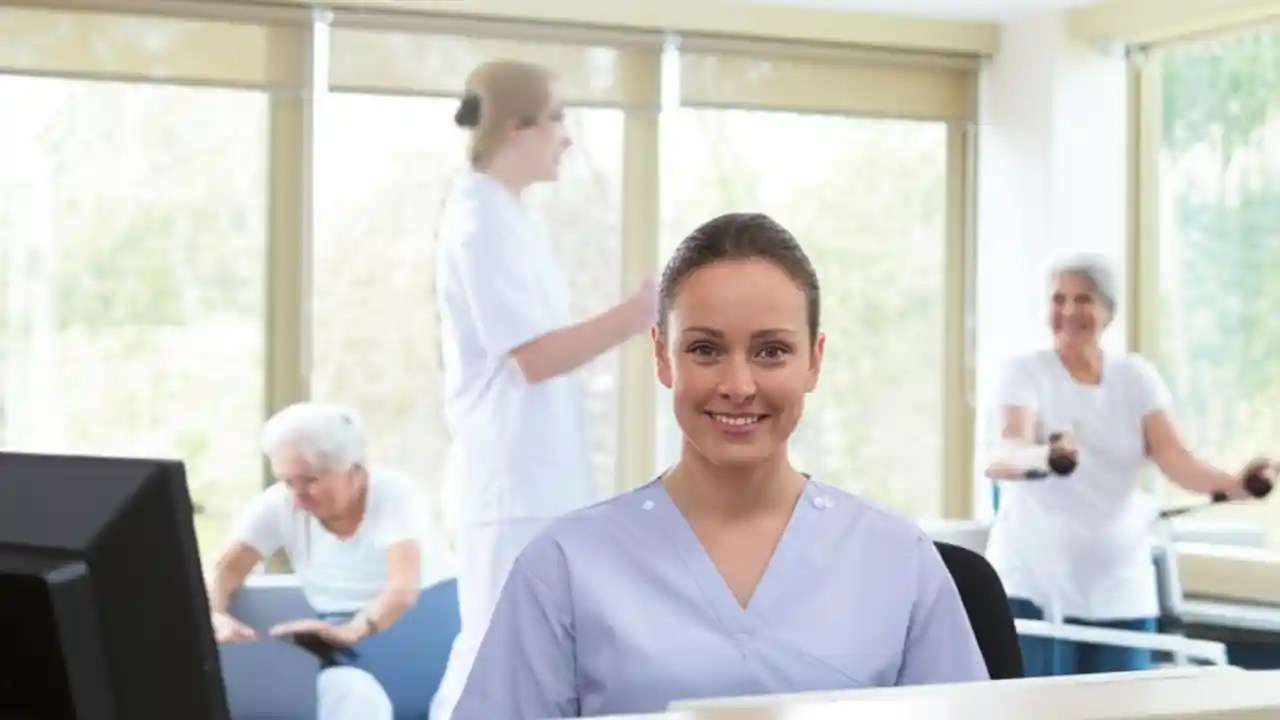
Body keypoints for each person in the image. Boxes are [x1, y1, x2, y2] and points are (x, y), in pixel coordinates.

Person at [452, 212, 989, 718]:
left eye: (772, 351)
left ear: (814, 361)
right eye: (706, 350)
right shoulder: (566, 566)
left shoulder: (897, 559)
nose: (737, 386)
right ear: (663, 357)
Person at [430, 60, 657, 719]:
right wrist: (637, 314)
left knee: (525, 665)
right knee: (499, 666)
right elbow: (532, 357)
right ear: (517, 125)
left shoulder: (507, 216)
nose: (568, 136)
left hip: (533, 485)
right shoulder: (481, 219)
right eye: (559, 116)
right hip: (511, 487)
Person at [983, 254, 1275, 676]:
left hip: (1120, 587)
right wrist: (1047, 455)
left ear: (1107, 310)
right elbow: (1006, 451)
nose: (1068, 311)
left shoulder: (1135, 377)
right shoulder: (1025, 372)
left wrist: (1237, 484)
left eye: (1082, 299)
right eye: (1058, 299)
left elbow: (1175, 459)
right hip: (1035, 584)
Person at [207, 402, 451, 719]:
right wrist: (215, 615)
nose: (297, 496)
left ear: (355, 471)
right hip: (344, 641)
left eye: (310, 480)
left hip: (424, 623)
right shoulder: (279, 503)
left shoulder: (393, 493)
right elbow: (224, 571)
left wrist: (352, 630)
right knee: (349, 698)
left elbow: (403, 590)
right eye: (287, 481)